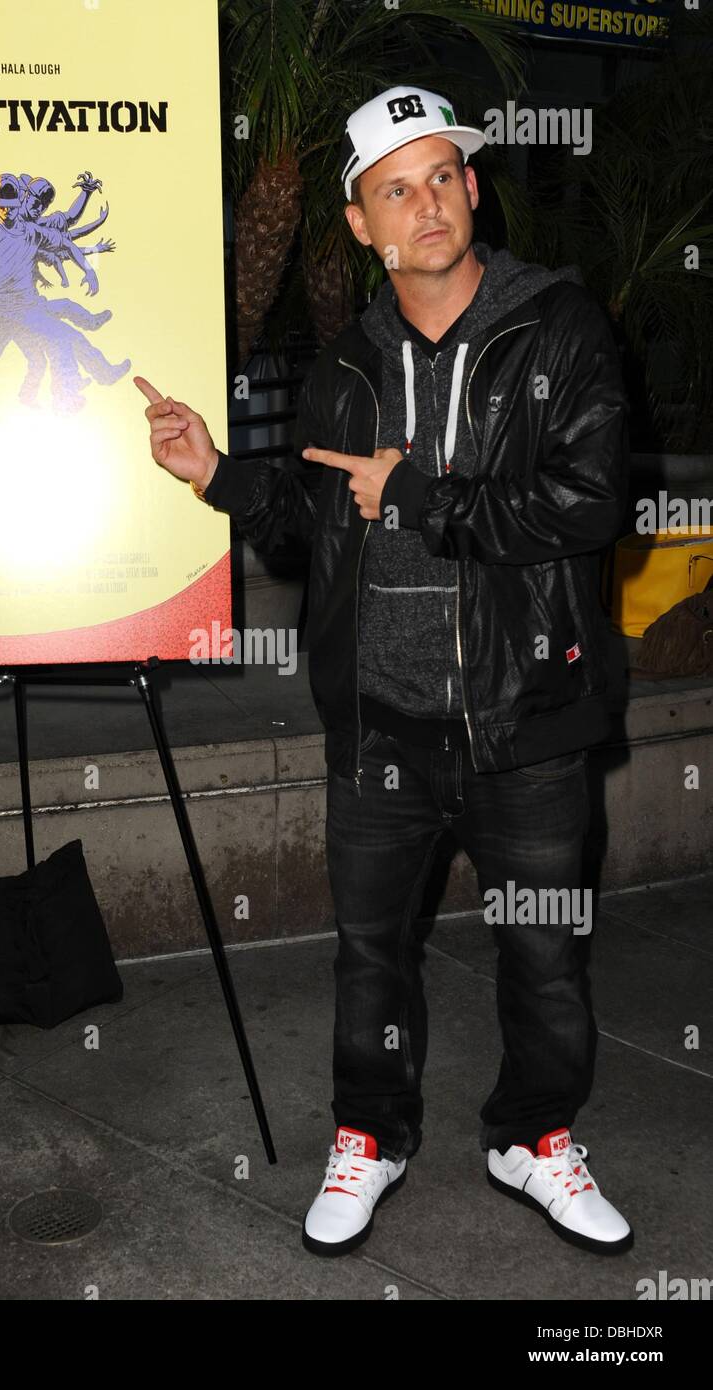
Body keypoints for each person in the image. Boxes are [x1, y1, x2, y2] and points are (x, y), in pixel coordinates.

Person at [134, 83, 632, 1259]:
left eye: (442, 175)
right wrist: (216, 474)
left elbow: (591, 499)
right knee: (370, 959)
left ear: (471, 183)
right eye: (394, 189)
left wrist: (422, 495)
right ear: (360, 224)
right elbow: (317, 521)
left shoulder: (555, 326)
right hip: (380, 726)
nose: (427, 204)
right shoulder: (350, 358)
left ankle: (533, 1135)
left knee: (546, 956)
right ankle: (372, 1132)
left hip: (529, 715)